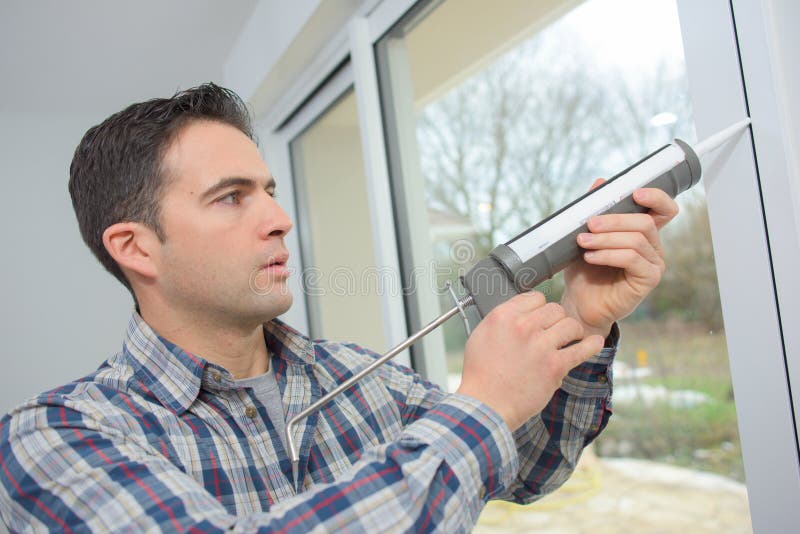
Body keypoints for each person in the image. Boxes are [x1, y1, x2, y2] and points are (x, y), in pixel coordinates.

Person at [0, 83, 677, 532]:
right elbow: (481, 430)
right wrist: (482, 408)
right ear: (135, 248)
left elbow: (526, 467)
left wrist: (583, 323)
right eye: (232, 197)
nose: (279, 218)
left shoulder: (364, 376)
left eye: (268, 189)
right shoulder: (55, 438)